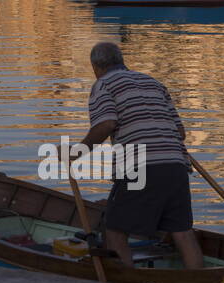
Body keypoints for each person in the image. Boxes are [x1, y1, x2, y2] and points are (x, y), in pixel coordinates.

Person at [79, 42, 203, 270]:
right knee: (182, 232)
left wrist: (78, 151)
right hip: (176, 164)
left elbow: (106, 123)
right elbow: (181, 133)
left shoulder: (103, 84)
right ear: (122, 61)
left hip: (139, 166)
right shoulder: (154, 83)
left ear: (95, 67)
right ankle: (201, 282)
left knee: (114, 230)